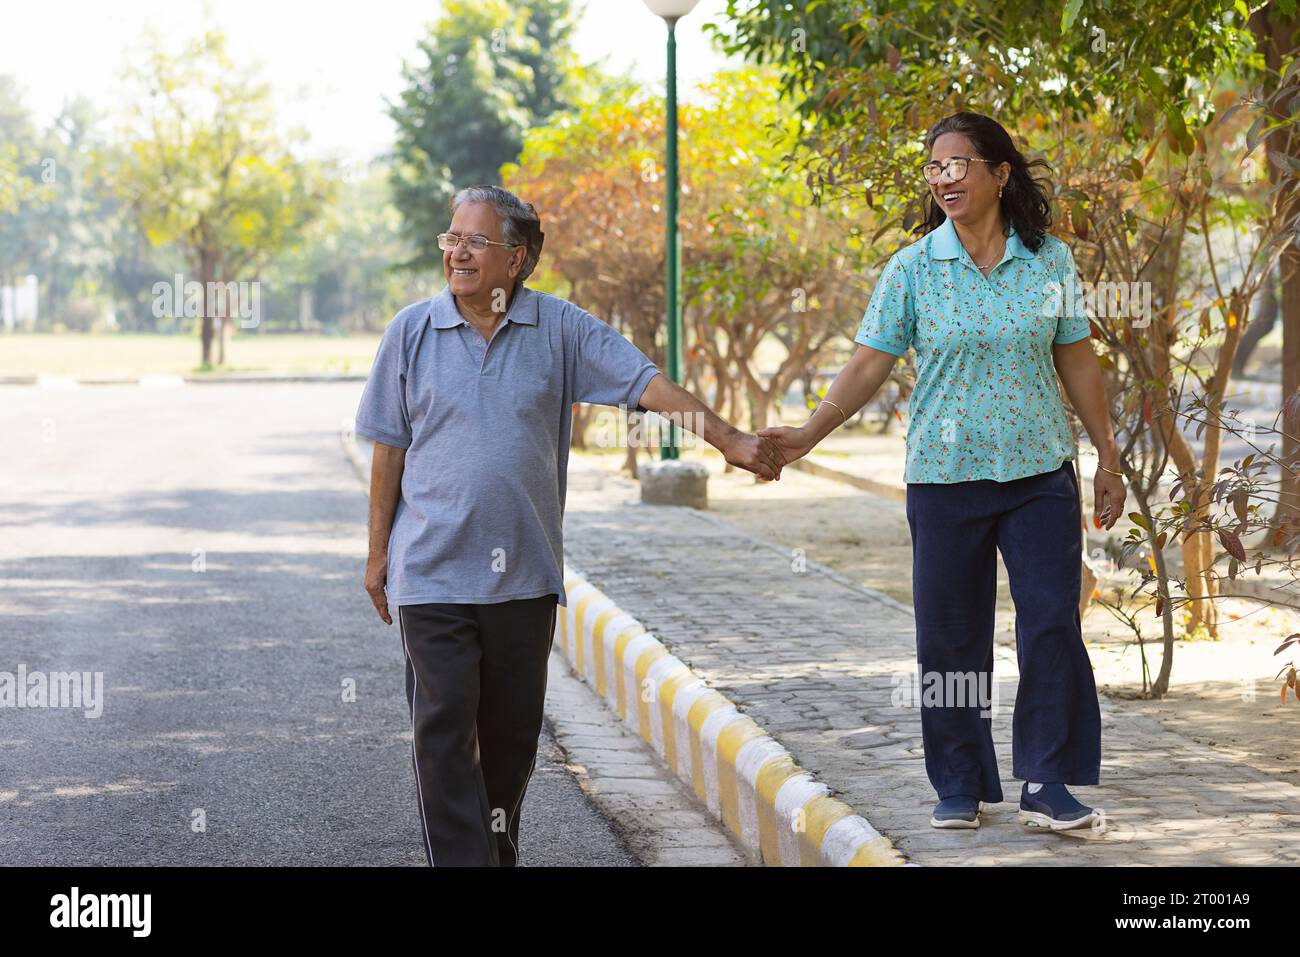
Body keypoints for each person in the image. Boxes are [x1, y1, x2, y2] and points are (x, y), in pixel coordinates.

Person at [355, 184, 784, 866]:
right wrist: (378, 551)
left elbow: (647, 384)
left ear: (518, 258)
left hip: (523, 577)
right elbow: (388, 447)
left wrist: (728, 438)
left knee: (509, 744)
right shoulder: (411, 331)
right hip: (431, 572)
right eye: (452, 238)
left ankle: (495, 854)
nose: (458, 252)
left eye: (476, 241)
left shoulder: (560, 328)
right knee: (443, 734)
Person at [760, 112, 1127, 832]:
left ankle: (1047, 781)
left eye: (960, 164)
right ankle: (959, 779)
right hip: (944, 476)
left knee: (1051, 623)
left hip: (1039, 474)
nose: (945, 178)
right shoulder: (912, 268)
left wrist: (1107, 454)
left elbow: (1076, 356)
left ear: (1000, 173)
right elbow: (868, 362)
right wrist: (807, 433)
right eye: (934, 168)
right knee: (950, 636)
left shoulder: (1047, 260)